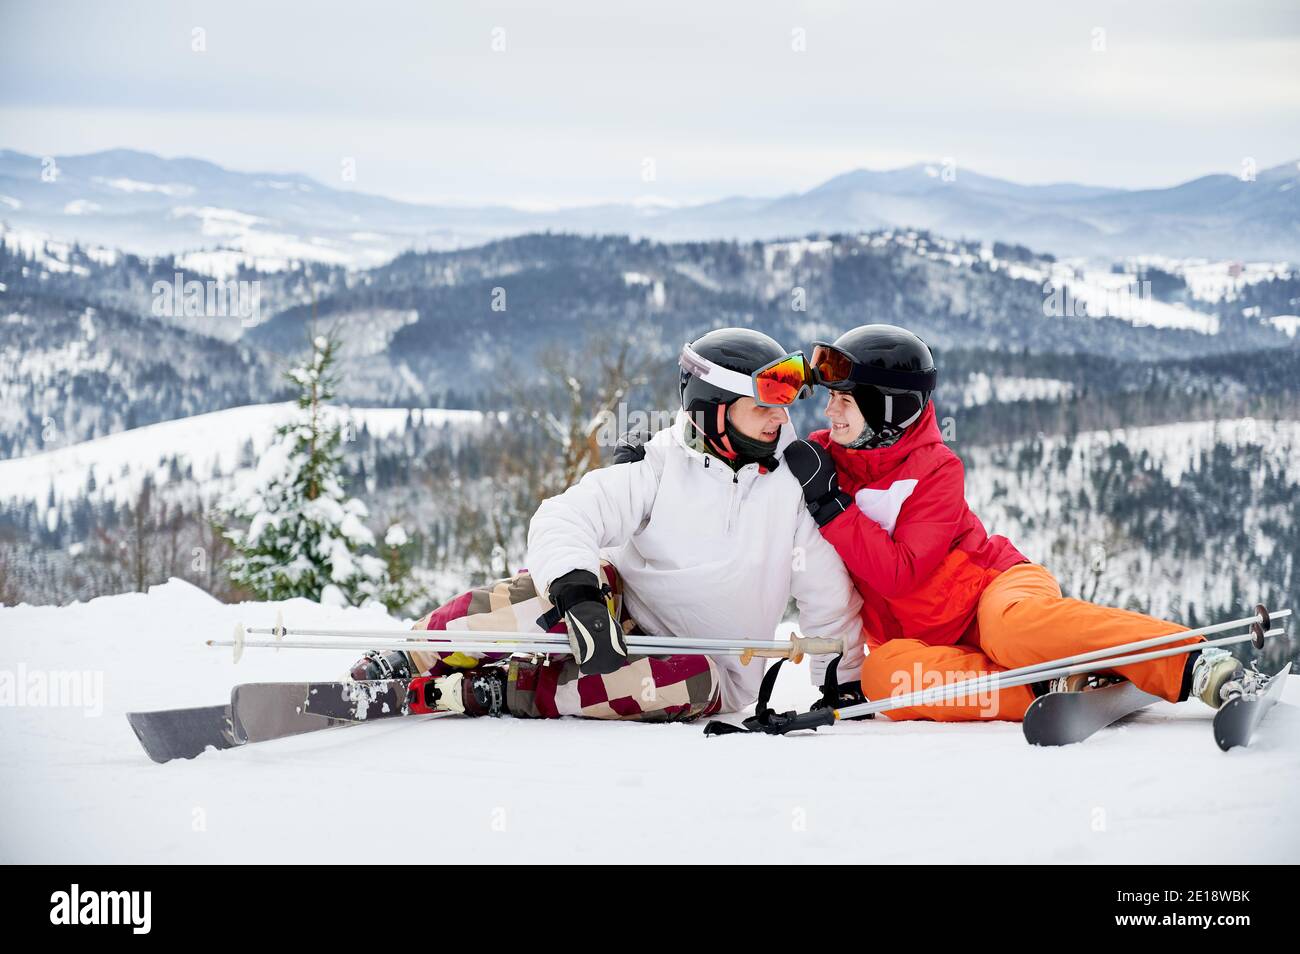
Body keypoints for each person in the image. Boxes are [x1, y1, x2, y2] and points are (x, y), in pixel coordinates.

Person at [352, 327, 864, 722]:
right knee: (545, 592)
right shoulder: (658, 465)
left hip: (714, 670)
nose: (778, 419)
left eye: (782, 406)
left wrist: (839, 681)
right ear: (715, 411)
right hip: (621, 612)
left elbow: (826, 596)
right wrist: (581, 596)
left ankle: (498, 690)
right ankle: (415, 656)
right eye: (761, 408)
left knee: (682, 683)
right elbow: (566, 515)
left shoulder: (791, 486)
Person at [780, 323, 1244, 722]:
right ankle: (1044, 690)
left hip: (994, 591)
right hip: (932, 642)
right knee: (883, 677)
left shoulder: (936, 469)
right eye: (830, 398)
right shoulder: (824, 463)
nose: (828, 411)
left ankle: (1193, 661)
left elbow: (902, 574)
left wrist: (833, 508)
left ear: (887, 407)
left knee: (1010, 634)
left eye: (843, 399)